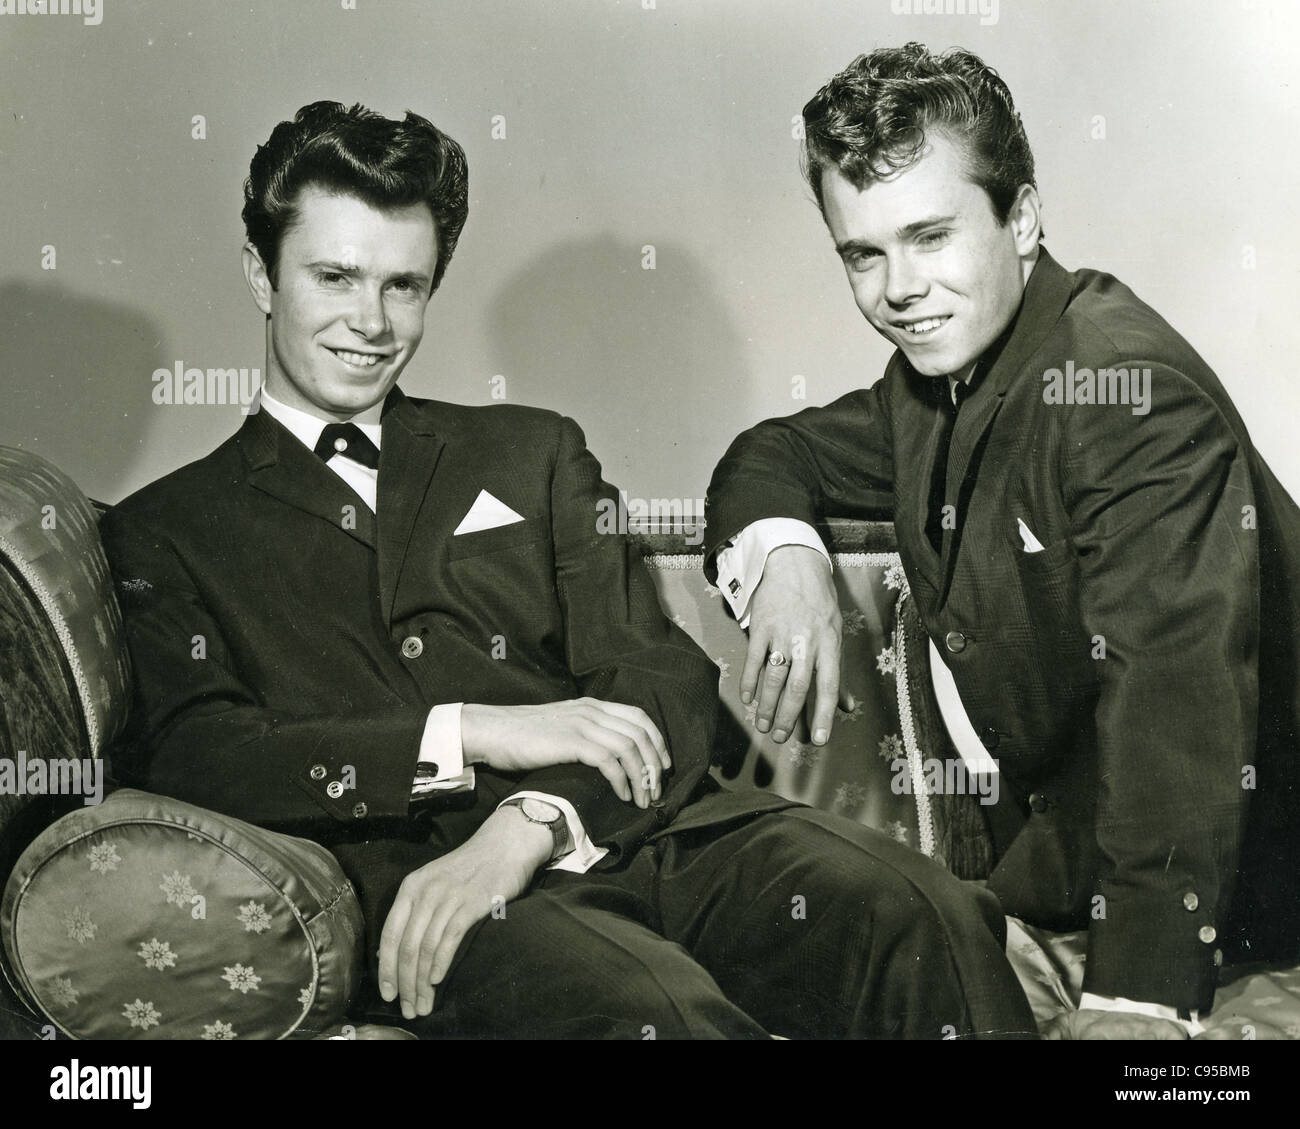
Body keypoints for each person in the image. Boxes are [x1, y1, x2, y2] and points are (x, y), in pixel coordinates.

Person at [100, 100, 1036, 1039]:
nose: (371, 322)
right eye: (335, 277)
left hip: (649, 830)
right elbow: (198, 753)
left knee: (931, 915)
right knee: (658, 1018)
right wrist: (470, 730)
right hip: (446, 896)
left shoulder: (532, 451)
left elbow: (660, 671)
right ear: (261, 274)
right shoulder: (165, 529)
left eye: (404, 286)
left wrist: (535, 820)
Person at [704, 42, 1300, 1039]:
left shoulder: (1122, 391)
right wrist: (787, 561)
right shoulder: (937, 381)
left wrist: (1138, 998)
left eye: (930, 236)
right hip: (1059, 888)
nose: (898, 288)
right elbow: (776, 453)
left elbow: (1175, 704)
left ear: (1021, 220)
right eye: (862, 254)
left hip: (1248, 911)